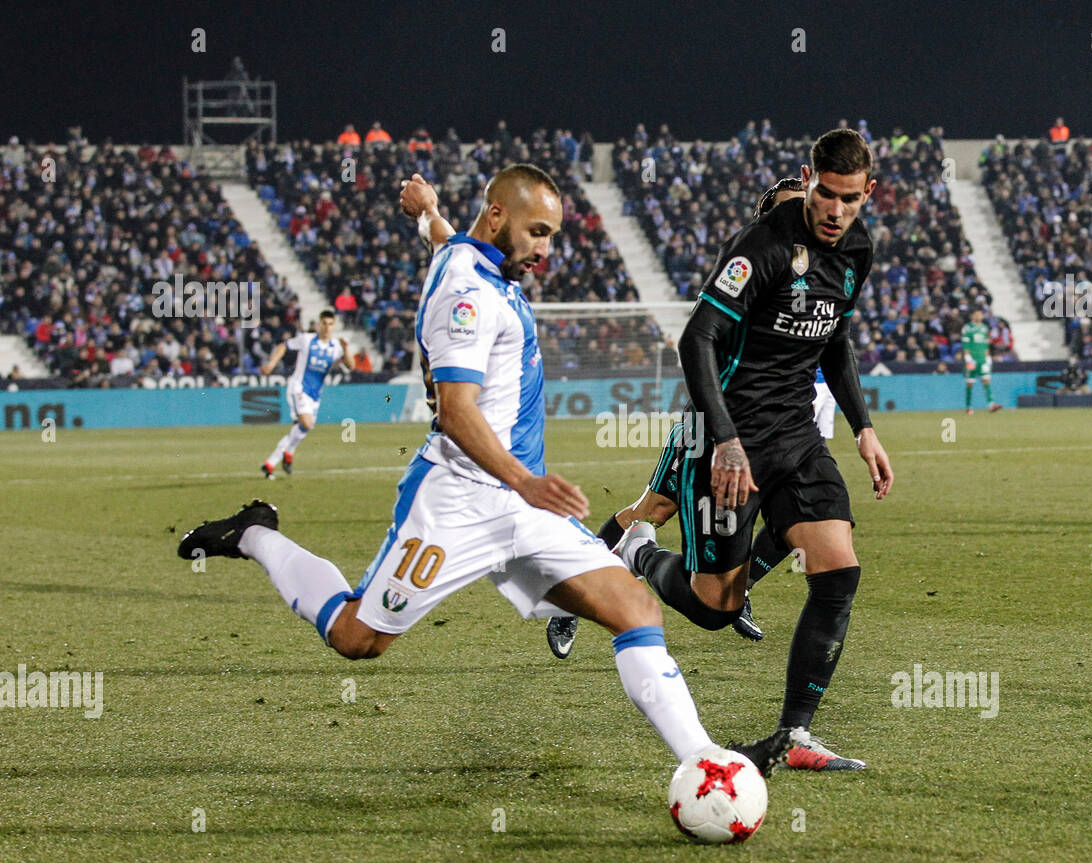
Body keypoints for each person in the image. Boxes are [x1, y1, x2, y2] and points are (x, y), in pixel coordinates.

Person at [178, 165, 723, 774]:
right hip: (459, 500)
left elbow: (444, 237)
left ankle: (703, 762)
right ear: (497, 217)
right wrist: (527, 480)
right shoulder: (469, 297)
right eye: (537, 232)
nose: (546, 249)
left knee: (636, 610)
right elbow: (459, 413)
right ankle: (255, 532)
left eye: (552, 236)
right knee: (359, 639)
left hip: (524, 507)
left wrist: (425, 209)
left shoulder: (466, 255)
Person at [619, 129, 894, 772]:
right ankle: (639, 551)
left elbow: (834, 339)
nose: (834, 210)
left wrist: (863, 428)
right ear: (809, 178)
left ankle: (794, 735)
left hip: (797, 436)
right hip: (729, 440)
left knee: (838, 569)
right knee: (718, 605)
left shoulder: (858, 249)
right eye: (825, 194)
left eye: (849, 199)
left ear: (868, 193)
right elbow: (698, 340)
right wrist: (725, 442)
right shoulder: (762, 246)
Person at [542, 178, 817, 658]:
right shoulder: (746, 267)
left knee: (800, 513)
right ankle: (575, 596)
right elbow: (700, 339)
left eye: (804, 208)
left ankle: (740, 584)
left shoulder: (818, 277)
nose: (799, 219)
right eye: (788, 209)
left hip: (776, 426)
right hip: (713, 421)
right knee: (656, 511)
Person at [259, 309, 354, 477]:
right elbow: (283, 346)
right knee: (307, 423)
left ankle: (272, 462)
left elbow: (351, 366)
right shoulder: (307, 340)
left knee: (301, 428)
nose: (326, 327)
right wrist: (272, 364)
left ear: (334, 326)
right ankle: (286, 454)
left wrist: (346, 349)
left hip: (315, 394)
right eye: (324, 323)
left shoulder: (336, 347)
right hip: (299, 388)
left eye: (330, 324)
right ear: (318, 324)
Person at [961, 309, 1002, 414]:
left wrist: (988, 357)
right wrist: (968, 358)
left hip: (983, 359)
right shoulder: (967, 328)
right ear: (972, 315)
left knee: (986, 380)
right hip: (971, 360)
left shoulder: (984, 328)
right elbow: (966, 345)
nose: (979, 316)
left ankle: (991, 405)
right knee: (970, 383)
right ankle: (968, 407)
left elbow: (985, 344)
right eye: (976, 314)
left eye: (980, 314)